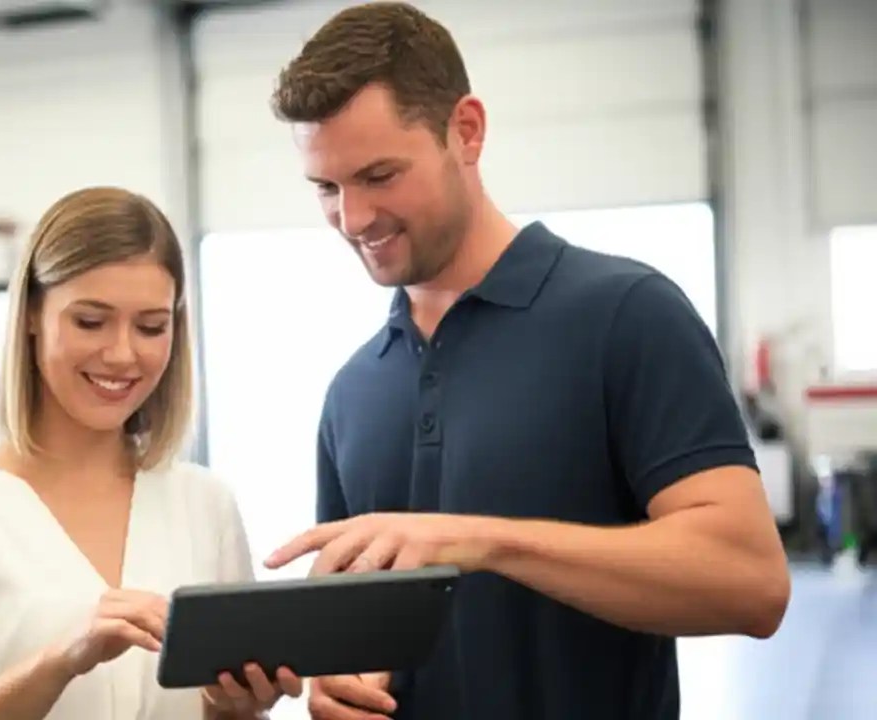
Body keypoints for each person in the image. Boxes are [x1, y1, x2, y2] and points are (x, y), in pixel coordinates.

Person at [259, 4, 791, 720]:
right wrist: (336, 681)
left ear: (467, 132)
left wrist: (485, 541)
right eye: (327, 188)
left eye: (380, 175)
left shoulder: (627, 316)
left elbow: (751, 585)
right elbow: (356, 635)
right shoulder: (353, 391)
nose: (353, 220)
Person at [0, 187, 302, 720]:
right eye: (90, 321)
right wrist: (60, 660)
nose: (123, 354)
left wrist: (235, 706)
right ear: (32, 315)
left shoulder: (205, 504)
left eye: (151, 326)